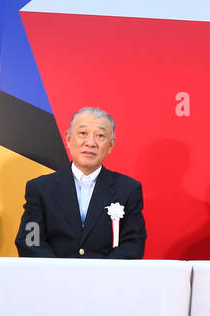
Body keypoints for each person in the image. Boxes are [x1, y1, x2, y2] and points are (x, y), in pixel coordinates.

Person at [15, 107, 145, 258]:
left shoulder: (127, 190)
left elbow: (133, 243)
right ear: (68, 139)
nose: (90, 143)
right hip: (54, 278)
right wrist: (60, 273)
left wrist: (101, 274)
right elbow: (31, 241)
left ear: (111, 145)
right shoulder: (41, 189)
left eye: (100, 136)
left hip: (105, 279)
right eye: (83, 133)